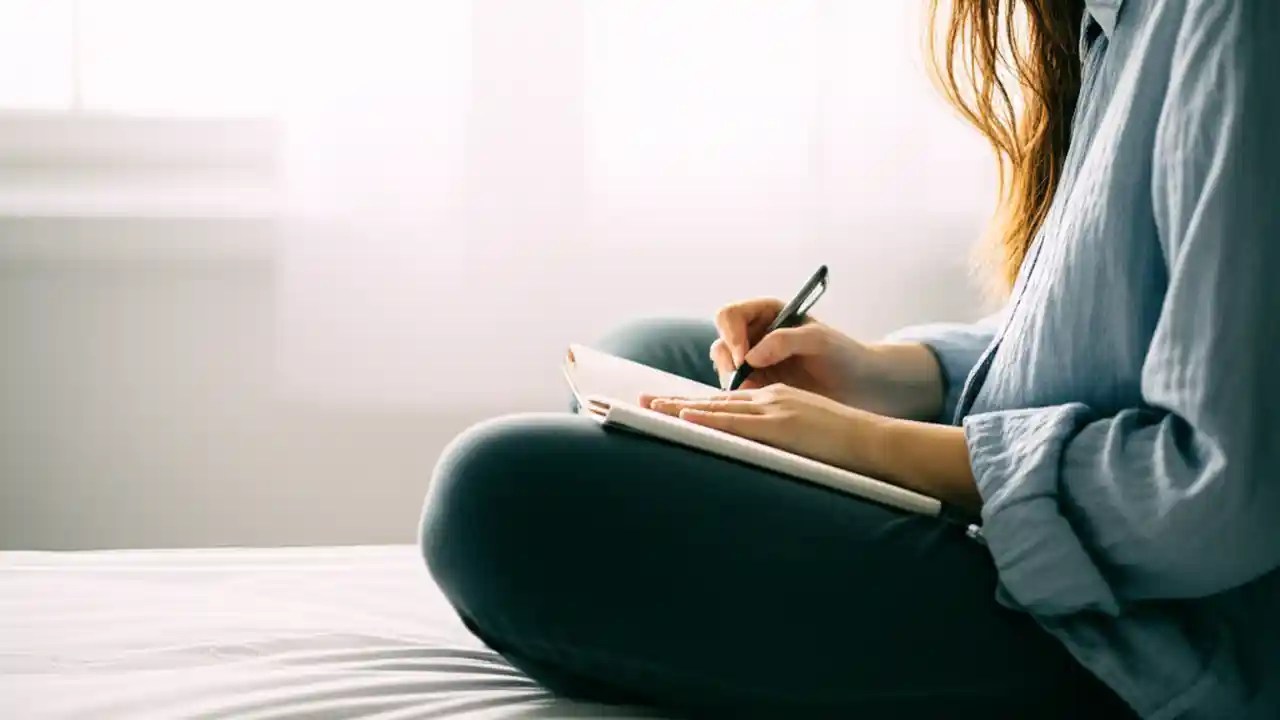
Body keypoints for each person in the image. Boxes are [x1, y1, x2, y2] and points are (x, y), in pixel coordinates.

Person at [420, 0, 1280, 717]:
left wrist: (863, 442)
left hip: (1127, 626)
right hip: (1056, 515)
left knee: (494, 492)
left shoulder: (1229, 22)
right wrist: (884, 372)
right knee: (648, 354)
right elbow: (1116, 333)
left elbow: (1222, 495)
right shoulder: (1119, 22)